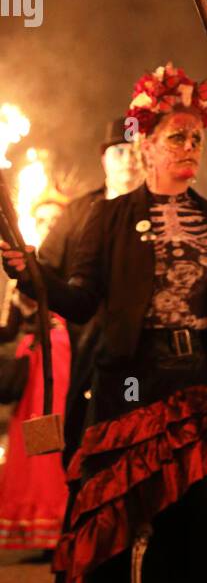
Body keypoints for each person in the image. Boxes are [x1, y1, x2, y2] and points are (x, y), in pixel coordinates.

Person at [1, 63, 207, 583]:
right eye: (175, 137)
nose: (188, 149)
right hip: (135, 385)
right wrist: (30, 275)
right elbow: (80, 300)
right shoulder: (110, 218)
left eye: (195, 139)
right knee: (141, 516)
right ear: (146, 144)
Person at [38, 117, 144, 467]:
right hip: (85, 344)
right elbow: (46, 268)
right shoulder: (80, 211)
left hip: (146, 349)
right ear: (104, 159)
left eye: (133, 149)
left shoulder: (162, 208)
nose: (127, 158)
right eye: (118, 150)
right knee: (85, 439)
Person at [0, 190, 71, 552]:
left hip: (60, 354)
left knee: (53, 431)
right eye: (40, 217)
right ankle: (35, 526)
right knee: (29, 437)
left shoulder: (69, 259)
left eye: (52, 218)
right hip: (33, 357)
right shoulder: (23, 262)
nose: (46, 224)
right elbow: (10, 329)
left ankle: (59, 525)